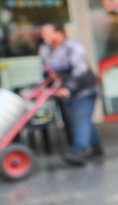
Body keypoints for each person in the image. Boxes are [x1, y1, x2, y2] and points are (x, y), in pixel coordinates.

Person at [38, 22, 102, 165]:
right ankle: (96, 148)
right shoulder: (45, 50)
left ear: (60, 33)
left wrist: (68, 89)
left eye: (48, 33)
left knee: (80, 120)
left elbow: (81, 71)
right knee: (82, 120)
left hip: (85, 91)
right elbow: (46, 71)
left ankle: (81, 151)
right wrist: (47, 87)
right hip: (64, 92)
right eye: (43, 33)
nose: (44, 36)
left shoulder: (74, 48)